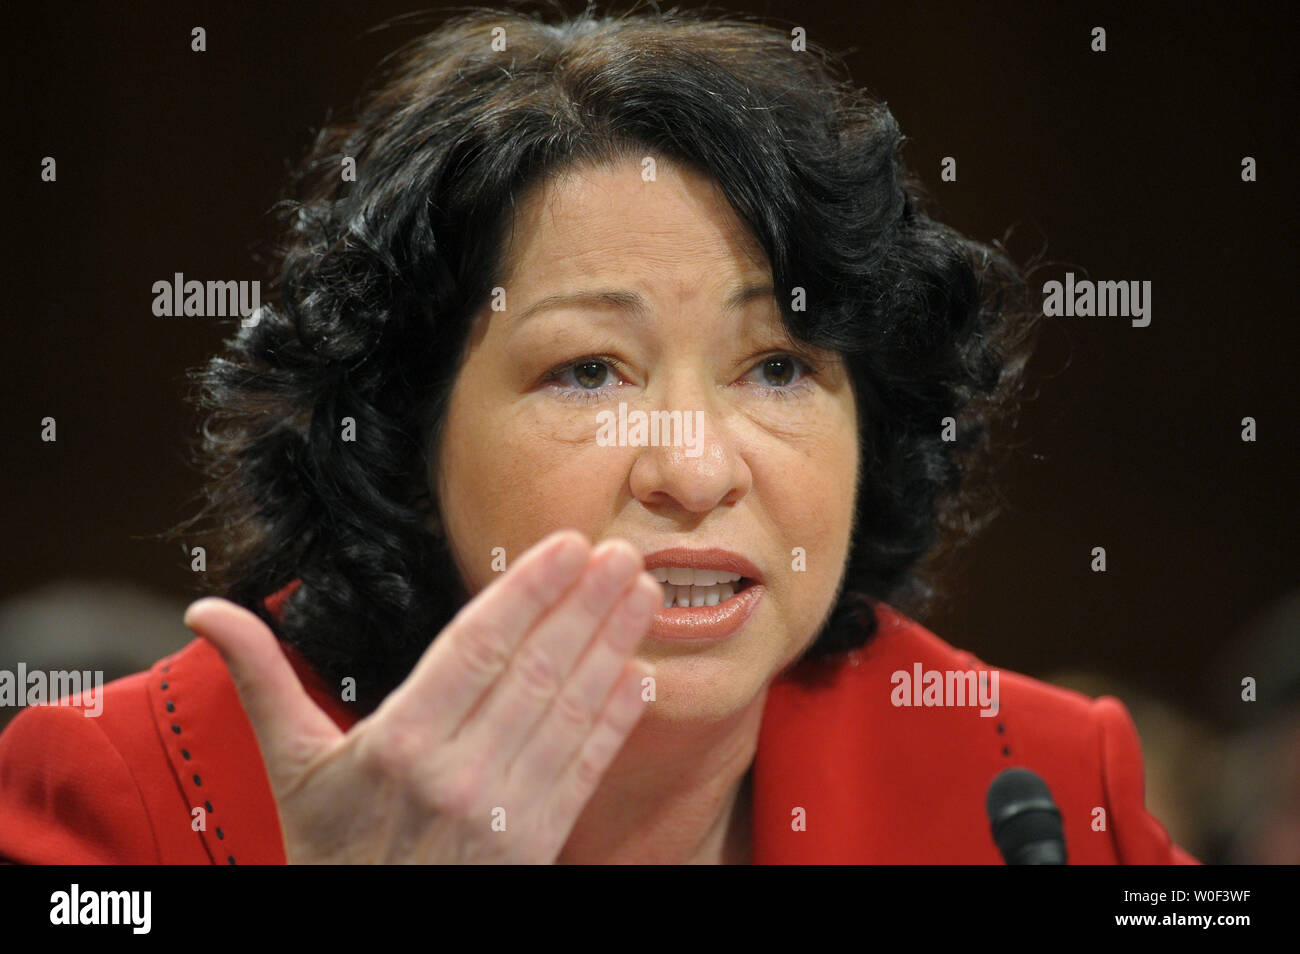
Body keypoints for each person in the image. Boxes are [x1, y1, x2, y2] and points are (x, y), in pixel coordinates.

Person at [0, 4, 1196, 864]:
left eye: (777, 366)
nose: (693, 467)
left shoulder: (1030, 780)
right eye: (587, 370)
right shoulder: (125, 798)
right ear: (403, 439)